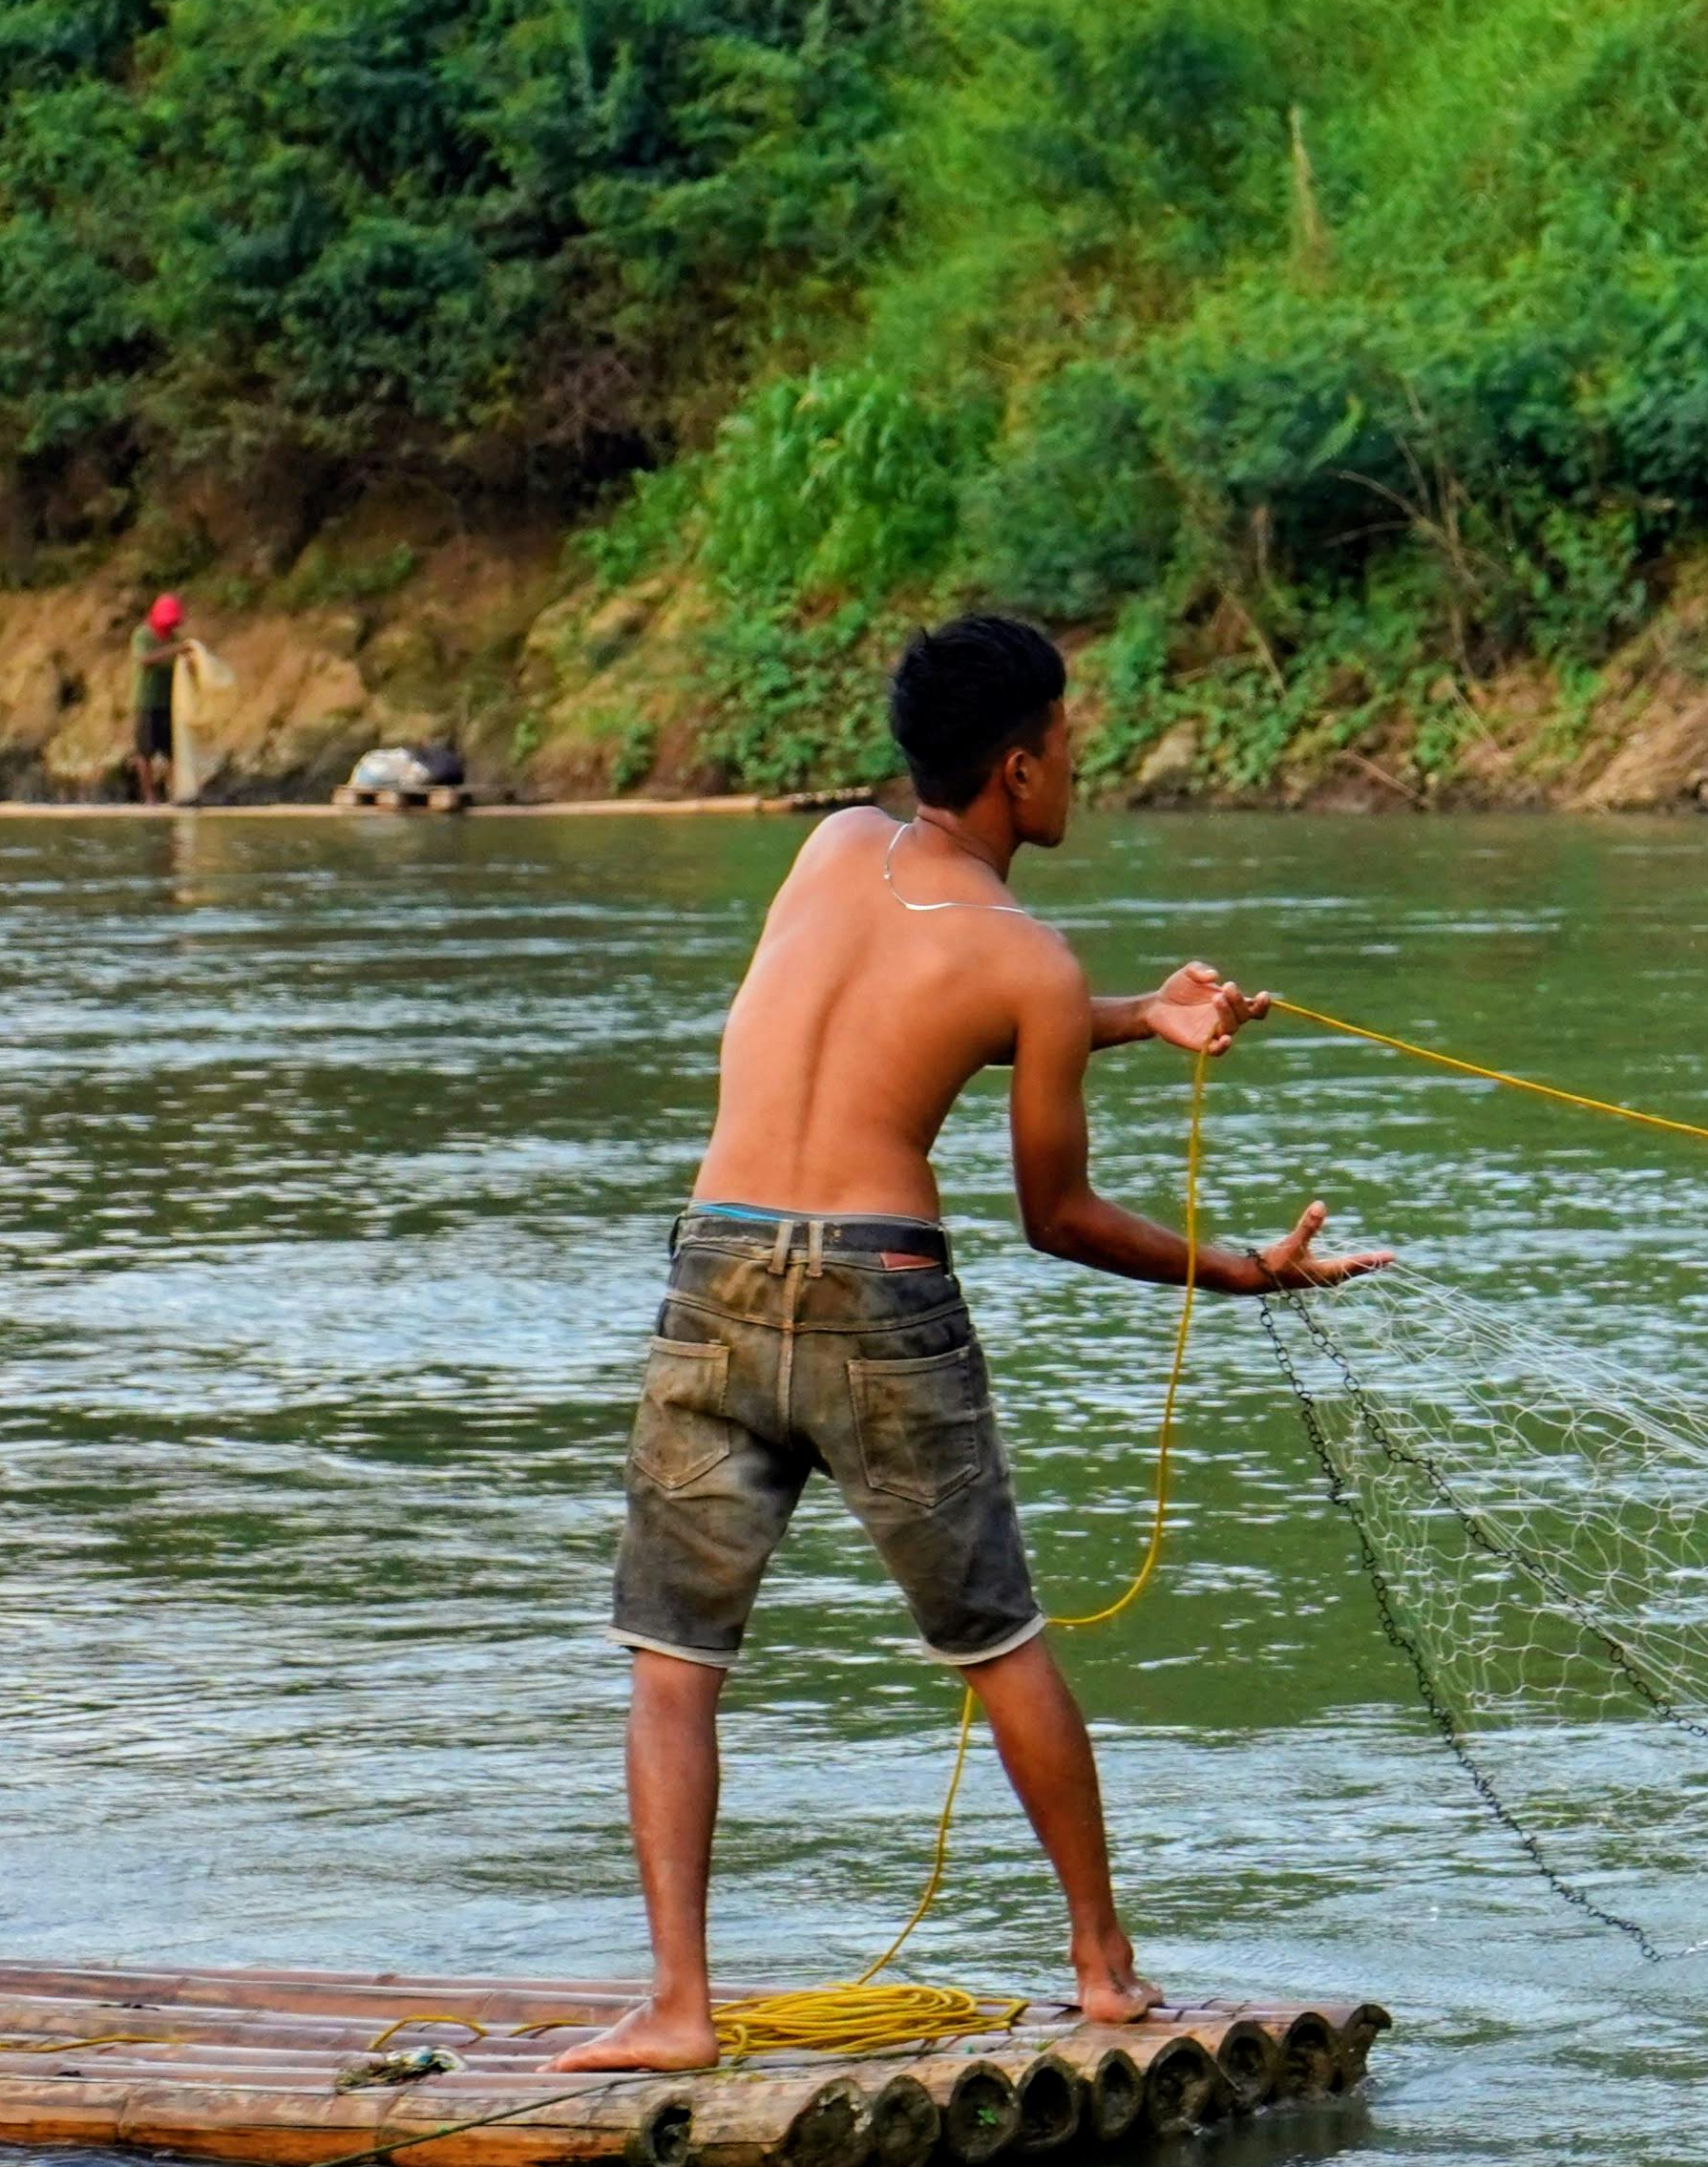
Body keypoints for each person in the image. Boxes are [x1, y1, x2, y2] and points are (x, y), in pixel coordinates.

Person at [562, 613, 1384, 2072]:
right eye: (1072, 745)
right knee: (999, 1644)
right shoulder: (1030, 957)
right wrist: (1247, 1274)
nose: (1083, 765)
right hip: (880, 1293)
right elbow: (1056, 1216)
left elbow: (905, 1000)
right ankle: (1105, 1970)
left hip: (717, 1273)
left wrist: (1137, 1018)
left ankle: (679, 2010)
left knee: (674, 1663)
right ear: (1018, 770)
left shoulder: (832, 848)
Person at [124, 595, 188, 804]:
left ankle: (175, 794)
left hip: (168, 703)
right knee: (145, 752)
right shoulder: (143, 635)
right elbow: (145, 660)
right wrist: (175, 651)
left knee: (172, 751)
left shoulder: (172, 638)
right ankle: (149, 797)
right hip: (147, 701)